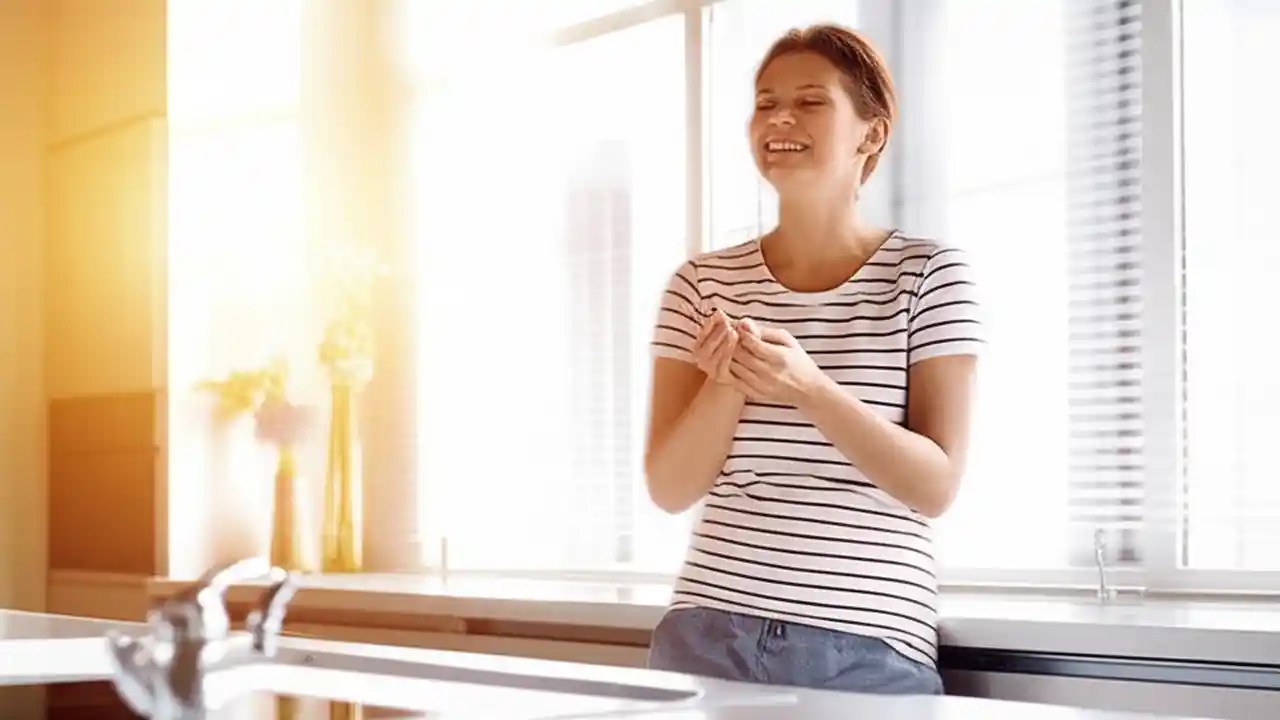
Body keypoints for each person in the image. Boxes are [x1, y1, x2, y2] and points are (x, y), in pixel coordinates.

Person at [643, 23, 983, 696]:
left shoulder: (928, 276)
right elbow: (670, 488)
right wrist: (726, 385)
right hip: (709, 633)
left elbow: (935, 485)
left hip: (869, 649)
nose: (780, 118)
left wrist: (810, 388)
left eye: (811, 101)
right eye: (765, 102)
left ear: (871, 132)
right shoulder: (700, 284)